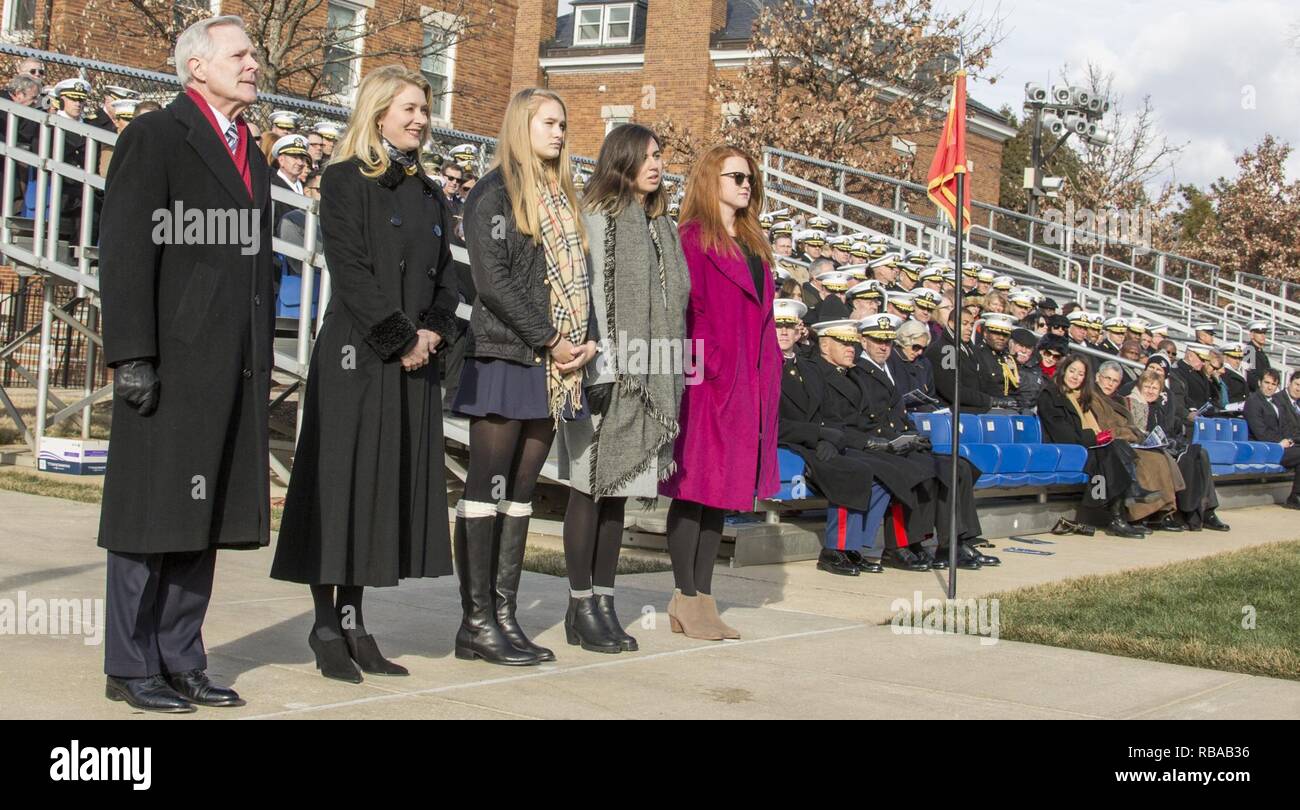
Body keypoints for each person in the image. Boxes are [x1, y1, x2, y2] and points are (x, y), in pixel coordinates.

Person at [96, 15, 272, 712]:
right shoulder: (153, 137)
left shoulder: (249, 150)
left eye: (254, 54)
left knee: (203, 521)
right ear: (197, 67)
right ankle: (130, 663)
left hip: (231, 366)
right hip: (168, 364)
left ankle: (181, 657)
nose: (254, 63)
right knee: (150, 517)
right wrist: (132, 353)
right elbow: (125, 250)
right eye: (241, 54)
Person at [272, 66, 458, 682]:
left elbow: (446, 281)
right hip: (358, 358)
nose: (419, 120)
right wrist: (399, 337)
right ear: (377, 113)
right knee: (343, 486)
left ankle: (356, 622)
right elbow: (350, 270)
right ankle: (326, 624)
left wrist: (430, 331)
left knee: (381, 492)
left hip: (413, 365)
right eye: (408, 109)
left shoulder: (432, 192)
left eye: (425, 111)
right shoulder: (346, 180)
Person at [449, 88, 599, 665]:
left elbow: (578, 281)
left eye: (564, 123)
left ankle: (504, 615)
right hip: (509, 355)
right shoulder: (493, 194)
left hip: (555, 366)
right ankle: (476, 622)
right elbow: (494, 285)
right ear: (521, 126)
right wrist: (552, 339)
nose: (560, 133)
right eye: (549, 123)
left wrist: (579, 346)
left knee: (519, 492)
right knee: (486, 487)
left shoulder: (563, 197)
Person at [556, 123, 689, 652]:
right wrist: (600, 369)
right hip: (602, 375)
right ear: (622, 160)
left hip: (648, 376)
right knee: (589, 491)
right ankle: (579, 602)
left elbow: (673, 305)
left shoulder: (663, 227)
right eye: (646, 156)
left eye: (660, 156)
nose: (656, 165)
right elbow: (581, 296)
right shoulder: (594, 217)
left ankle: (604, 602)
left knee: (617, 497)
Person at [659, 143, 781, 640]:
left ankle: (701, 597)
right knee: (694, 490)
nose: (746, 184)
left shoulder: (754, 241)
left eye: (749, 177)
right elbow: (683, 314)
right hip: (707, 383)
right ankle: (686, 595)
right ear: (711, 181)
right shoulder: (691, 238)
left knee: (720, 495)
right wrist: (705, 369)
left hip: (749, 381)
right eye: (735, 176)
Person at [777, 307, 893, 575]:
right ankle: (834, 550)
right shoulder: (764, 366)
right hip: (788, 443)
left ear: (799, 330)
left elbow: (830, 412)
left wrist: (832, 436)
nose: (783, 331)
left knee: (880, 474)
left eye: (788, 326)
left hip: (819, 440)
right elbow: (770, 422)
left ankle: (854, 548)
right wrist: (820, 435)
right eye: (776, 326)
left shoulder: (807, 367)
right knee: (851, 472)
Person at [1037, 355, 1146, 538]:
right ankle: (1117, 517)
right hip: (1065, 449)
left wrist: (1097, 438)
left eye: (1080, 374)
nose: (1075, 377)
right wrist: (1095, 437)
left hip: (1083, 445)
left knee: (1117, 447)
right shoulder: (1050, 395)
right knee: (1110, 453)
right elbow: (1063, 435)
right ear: (1064, 371)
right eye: (1072, 371)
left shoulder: (1081, 397)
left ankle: (1119, 516)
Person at [1129, 367, 1230, 531]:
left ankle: (1207, 510)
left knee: (1201, 453)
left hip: (1165, 445)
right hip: (1146, 449)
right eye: (1147, 387)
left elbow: (1169, 431)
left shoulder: (1160, 409)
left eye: (1155, 388)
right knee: (1187, 457)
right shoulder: (1133, 403)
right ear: (1140, 387)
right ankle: (1185, 512)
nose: (1150, 391)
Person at [1094, 361, 1187, 532]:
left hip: (1127, 440)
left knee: (1160, 456)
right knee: (1152, 458)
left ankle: (1161, 511)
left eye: (1115, 381)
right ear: (1098, 378)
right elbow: (1108, 428)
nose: (1110, 383)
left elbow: (1129, 425)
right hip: (1112, 443)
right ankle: (1139, 515)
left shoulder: (1117, 399)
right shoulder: (1095, 397)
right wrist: (1133, 434)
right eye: (1107, 378)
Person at [1244, 369, 1300, 509]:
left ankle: (1295, 496)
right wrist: (1280, 441)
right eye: (1266, 383)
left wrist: (1290, 440)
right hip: (1264, 448)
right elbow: (1260, 432)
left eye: (1273, 384)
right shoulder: (1253, 401)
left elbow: (1284, 426)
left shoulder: (1275, 401)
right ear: (1259, 383)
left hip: (1279, 446)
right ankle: (1295, 497)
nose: (1270, 387)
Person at [892, 318, 936, 410]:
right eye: (916, 347)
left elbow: (931, 394)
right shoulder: (891, 358)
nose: (920, 352)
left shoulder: (924, 363)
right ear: (904, 341)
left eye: (923, 348)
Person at [1245, 321, 1273, 391]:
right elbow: (1250, 376)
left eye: (1264, 333)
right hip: (1255, 392)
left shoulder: (1260, 351)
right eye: (1259, 333)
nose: (1263, 336)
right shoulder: (1250, 350)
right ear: (1251, 335)